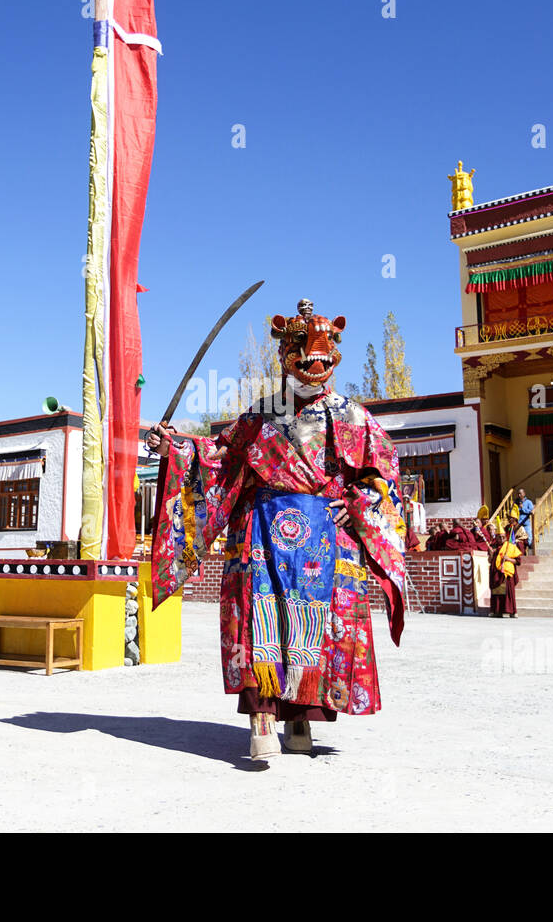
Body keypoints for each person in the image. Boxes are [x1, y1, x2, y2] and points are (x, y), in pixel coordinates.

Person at [148, 300, 407, 763]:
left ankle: (302, 715)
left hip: (327, 534)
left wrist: (361, 506)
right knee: (259, 619)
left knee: (316, 625)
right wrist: (174, 448)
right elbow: (218, 460)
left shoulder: (351, 416)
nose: (316, 362)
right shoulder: (260, 416)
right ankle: (263, 719)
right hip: (262, 530)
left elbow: (383, 475)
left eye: (325, 356)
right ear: (286, 355)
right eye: (304, 353)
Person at [488, 524, 521, 617]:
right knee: (497, 592)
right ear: (496, 538)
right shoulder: (493, 547)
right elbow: (490, 561)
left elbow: (518, 561)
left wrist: (508, 559)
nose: (501, 539)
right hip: (496, 573)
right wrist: (491, 554)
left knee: (509, 593)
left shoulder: (510, 546)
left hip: (507, 573)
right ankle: (496, 611)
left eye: (503, 537)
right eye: (499, 537)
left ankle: (512, 612)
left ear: (506, 538)